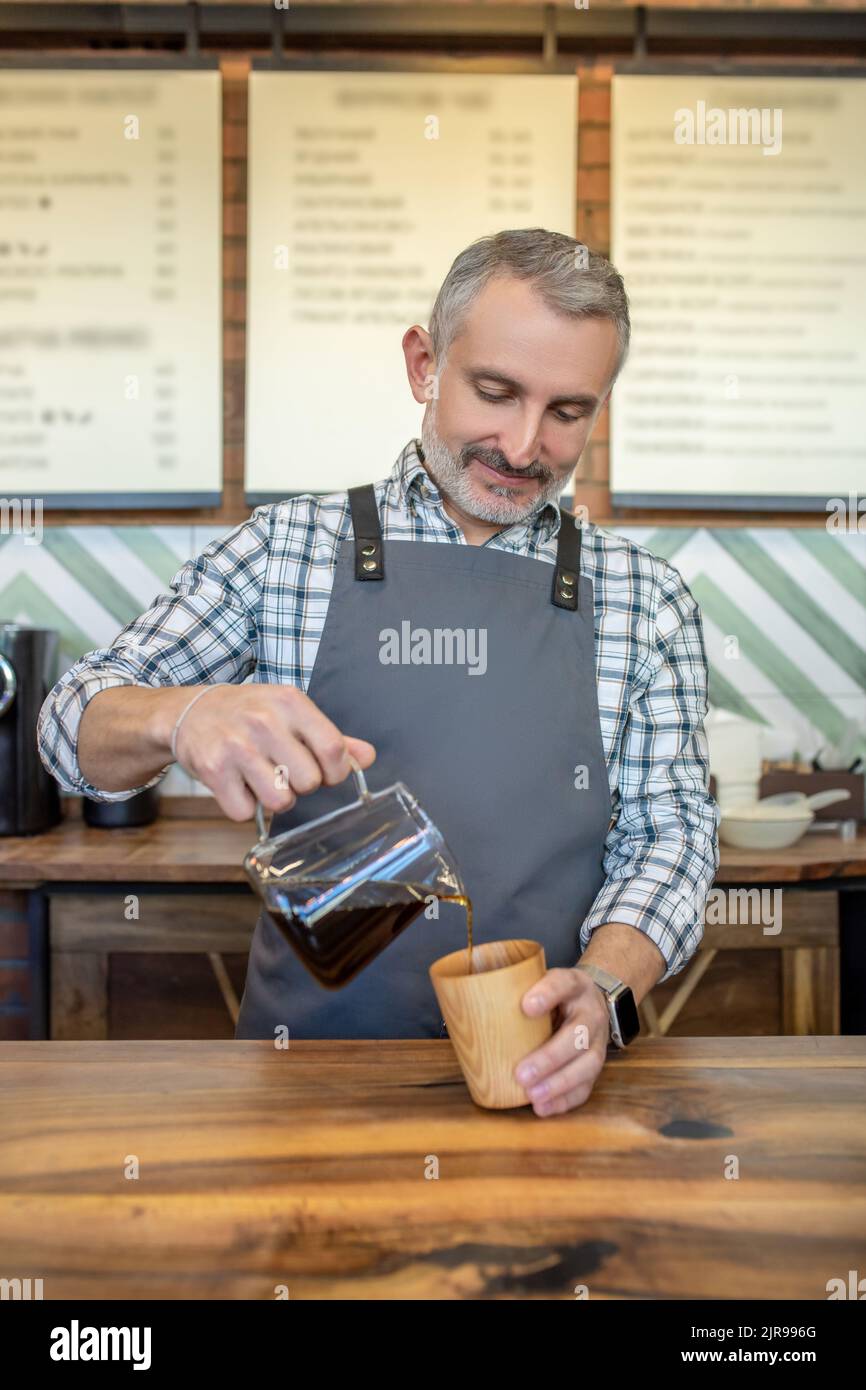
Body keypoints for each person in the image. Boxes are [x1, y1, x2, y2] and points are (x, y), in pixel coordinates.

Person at [38, 227, 719, 1117]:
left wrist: (605, 989)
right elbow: (68, 729)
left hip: (545, 1083)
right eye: (496, 391)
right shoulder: (287, 552)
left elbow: (672, 838)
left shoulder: (647, 599)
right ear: (423, 364)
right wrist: (183, 714)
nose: (522, 445)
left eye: (567, 411)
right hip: (309, 1083)